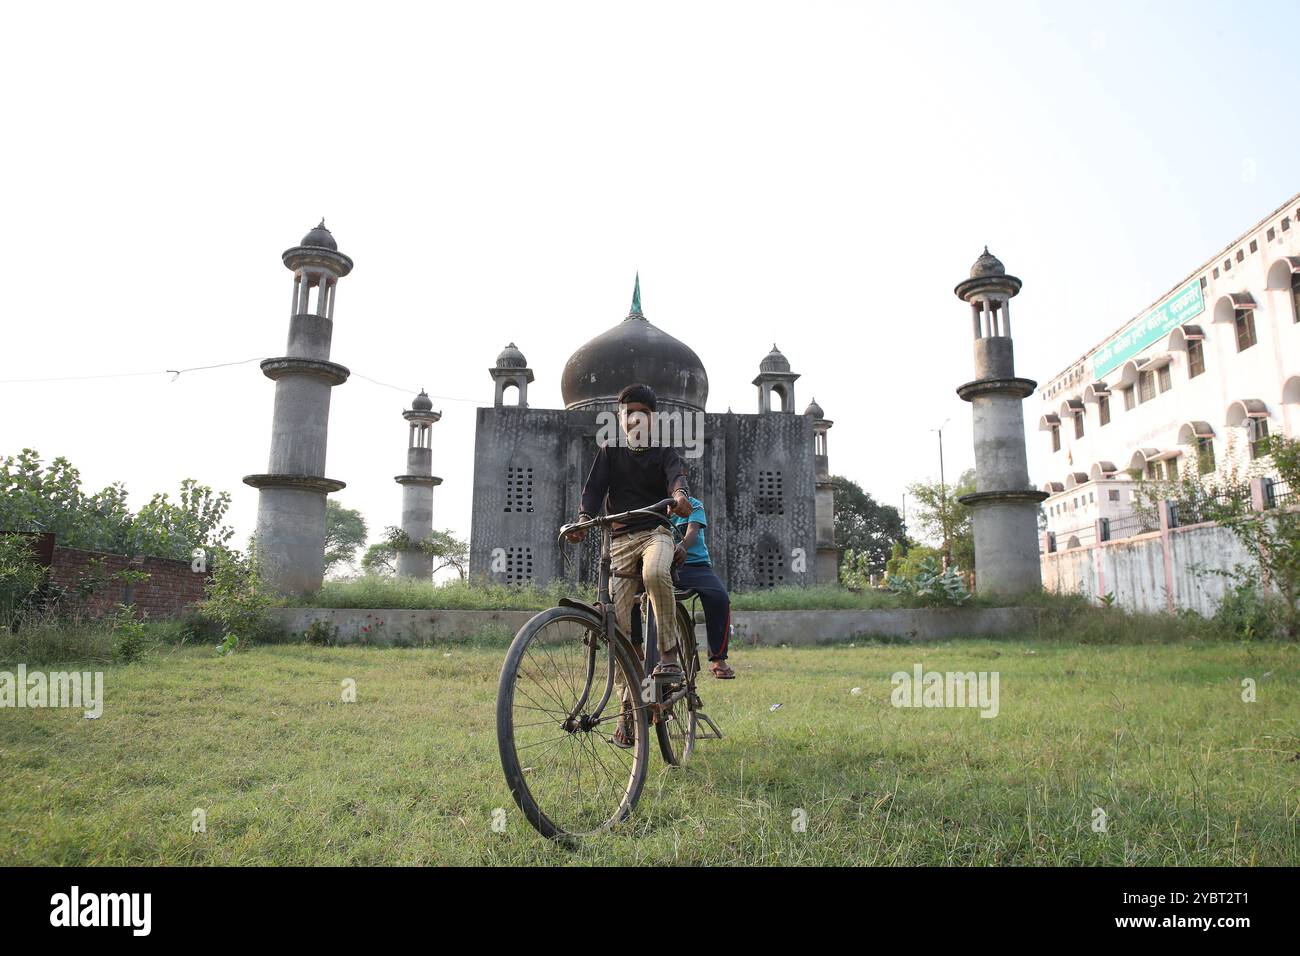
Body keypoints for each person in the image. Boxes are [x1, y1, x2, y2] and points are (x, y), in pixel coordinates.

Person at [565, 383, 692, 748]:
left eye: (642, 412)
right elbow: (592, 490)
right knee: (618, 631)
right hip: (619, 541)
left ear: (652, 418)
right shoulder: (610, 453)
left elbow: (677, 478)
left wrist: (680, 497)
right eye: (628, 412)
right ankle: (629, 709)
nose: (635, 418)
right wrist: (583, 518)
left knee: (655, 573)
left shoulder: (664, 452)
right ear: (620, 419)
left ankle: (668, 655)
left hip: (655, 532)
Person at [670, 496, 735, 679]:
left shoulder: (694, 504)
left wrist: (682, 546)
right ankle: (636, 647)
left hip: (695, 565)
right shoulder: (654, 504)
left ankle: (718, 659)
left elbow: (692, 531)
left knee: (719, 598)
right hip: (662, 564)